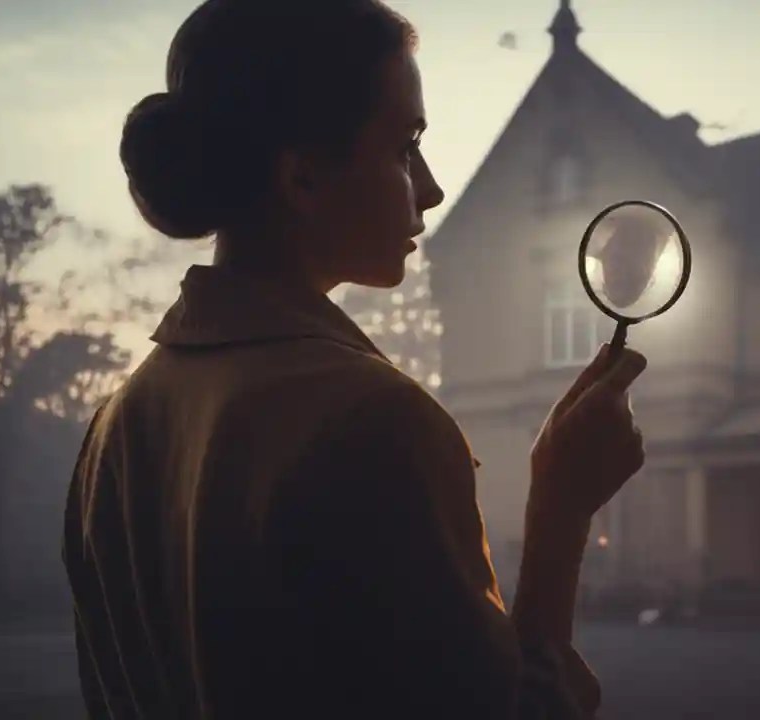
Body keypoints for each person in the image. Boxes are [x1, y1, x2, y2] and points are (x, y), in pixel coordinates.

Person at [60, 1, 647, 717]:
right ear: (302, 178)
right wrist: (560, 509)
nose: (430, 188)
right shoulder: (375, 419)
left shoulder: (113, 429)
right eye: (405, 147)